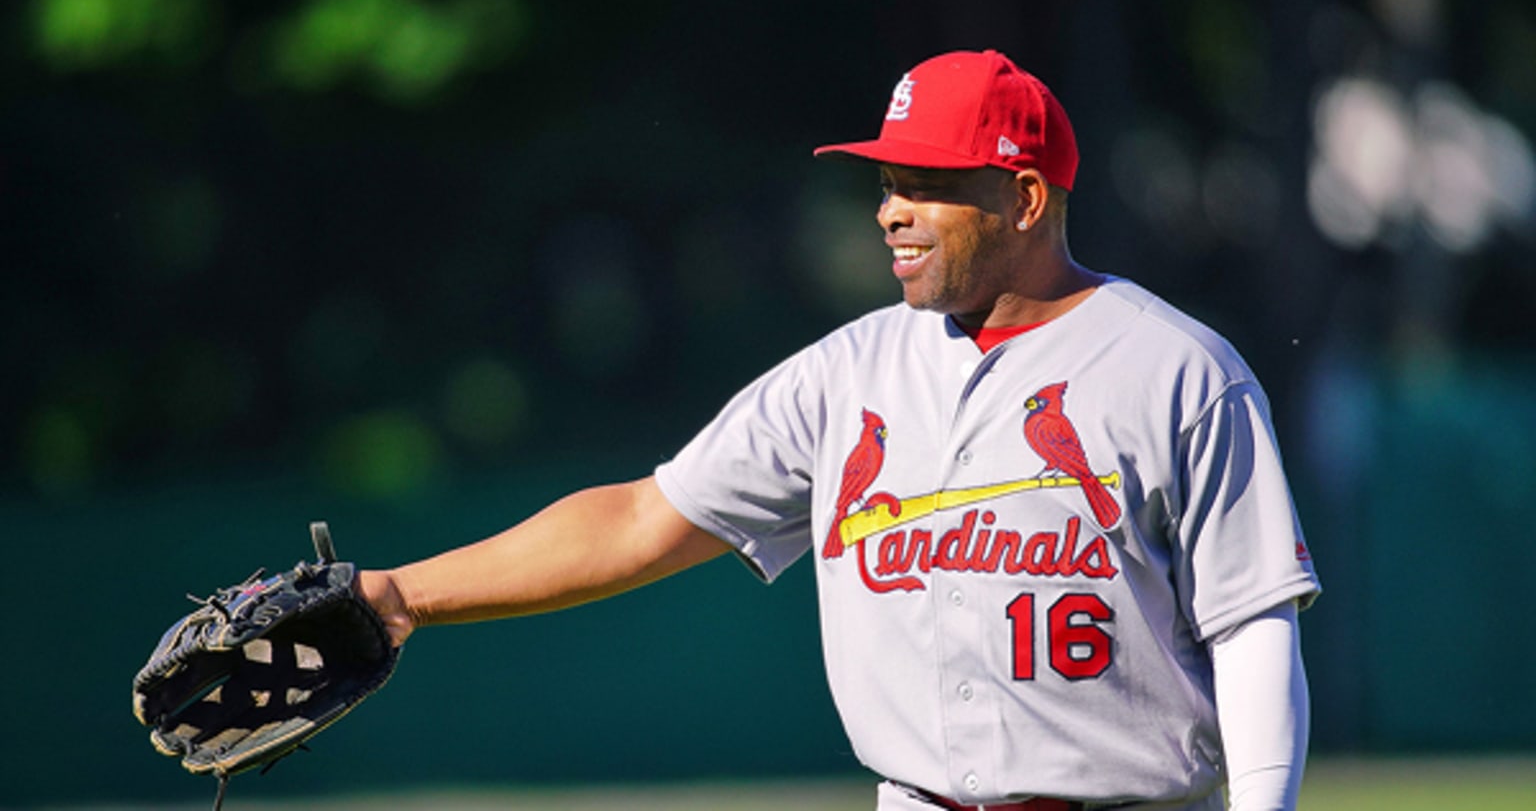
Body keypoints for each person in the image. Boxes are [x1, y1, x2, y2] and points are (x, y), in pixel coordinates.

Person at [358, 49, 1321, 811]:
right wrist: (400, 595)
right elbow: (640, 520)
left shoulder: (1179, 371)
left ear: (1025, 198)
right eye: (887, 182)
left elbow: (1250, 623)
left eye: (926, 183)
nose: (890, 212)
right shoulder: (847, 374)